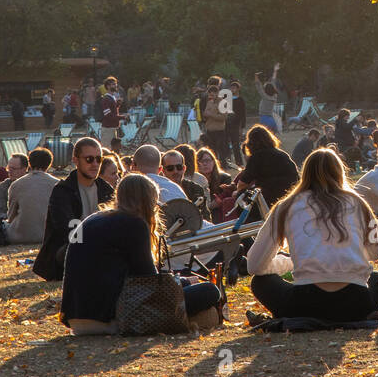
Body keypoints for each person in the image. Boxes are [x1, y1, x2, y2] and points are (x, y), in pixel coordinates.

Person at [60, 174, 222, 335]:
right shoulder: (134, 224)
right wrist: (182, 281)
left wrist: (182, 282)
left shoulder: (94, 218)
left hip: (77, 316)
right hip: (113, 316)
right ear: (147, 201)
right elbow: (150, 282)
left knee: (188, 286)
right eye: (155, 202)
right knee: (210, 291)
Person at [246, 148, 378, 322]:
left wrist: (289, 262)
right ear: (340, 172)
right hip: (356, 302)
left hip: (304, 303)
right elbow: (377, 253)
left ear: (305, 173)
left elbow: (254, 266)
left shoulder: (285, 206)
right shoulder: (359, 203)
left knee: (260, 282)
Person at [33, 138, 116, 281]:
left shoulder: (106, 189)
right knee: (77, 249)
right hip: (71, 248)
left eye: (99, 159)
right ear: (75, 160)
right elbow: (69, 231)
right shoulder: (63, 191)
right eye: (89, 159)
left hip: (102, 246)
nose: (95, 164)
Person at [234, 125, 299, 211]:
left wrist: (236, 191)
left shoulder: (256, 157)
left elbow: (243, 184)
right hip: (291, 195)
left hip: (269, 198)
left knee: (240, 196)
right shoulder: (282, 154)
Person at [5, 147, 60, 244]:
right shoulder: (58, 184)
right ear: (49, 164)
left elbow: (11, 217)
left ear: (29, 163)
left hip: (19, 236)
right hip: (50, 235)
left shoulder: (16, 184)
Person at [196, 146, 238, 222]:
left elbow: (227, 197)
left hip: (222, 213)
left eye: (207, 160)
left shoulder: (224, 178)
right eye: (201, 161)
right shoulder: (195, 181)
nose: (205, 164)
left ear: (213, 162)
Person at [198, 85, 231, 165]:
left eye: (212, 95)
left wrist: (211, 114)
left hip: (219, 131)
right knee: (212, 150)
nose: (211, 96)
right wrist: (208, 115)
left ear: (217, 93)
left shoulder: (223, 103)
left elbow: (224, 117)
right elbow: (205, 113)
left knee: (221, 150)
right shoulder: (209, 102)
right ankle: (214, 165)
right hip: (210, 130)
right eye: (210, 95)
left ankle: (223, 165)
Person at [0, 153, 28, 218]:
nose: (10, 172)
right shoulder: (4, 186)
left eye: (14, 169)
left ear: (24, 169)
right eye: (9, 168)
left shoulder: (31, 184)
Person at [254, 64, 284, 133]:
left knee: (265, 137)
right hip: (272, 120)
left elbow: (258, 86)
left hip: (264, 119)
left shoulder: (265, 96)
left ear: (266, 90)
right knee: (273, 138)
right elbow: (273, 81)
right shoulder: (274, 96)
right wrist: (275, 71)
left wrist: (256, 76)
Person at [228, 81, 247, 167]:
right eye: (231, 88)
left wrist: (242, 127)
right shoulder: (227, 99)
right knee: (227, 144)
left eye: (234, 87)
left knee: (236, 144)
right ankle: (228, 162)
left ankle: (239, 162)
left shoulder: (240, 100)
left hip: (236, 124)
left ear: (238, 89)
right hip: (227, 124)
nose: (232, 89)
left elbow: (243, 114)